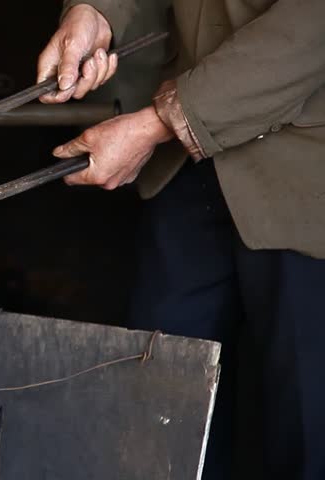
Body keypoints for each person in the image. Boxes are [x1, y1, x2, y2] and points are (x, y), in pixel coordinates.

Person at [37, 1, 325, 479]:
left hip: (303, 172)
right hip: (187, 168)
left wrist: (160, 122)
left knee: (307, 422)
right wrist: (96, 13)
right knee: (166, 414)